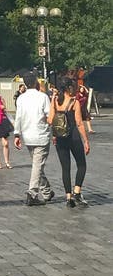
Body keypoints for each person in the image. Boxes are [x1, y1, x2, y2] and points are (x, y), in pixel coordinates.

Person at [13, 71, 54, 206]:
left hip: (28, 136)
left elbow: (18, 117)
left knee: (37, 165)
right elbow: (49, 116)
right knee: (38, 165)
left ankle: (47, 191)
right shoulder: (43, 97)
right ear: (36, 82)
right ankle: (32, 193)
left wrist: (17, 134)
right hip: (41, 135)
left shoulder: (21, 98)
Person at [48, 78, 90, 207]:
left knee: (65, 168)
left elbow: (50, 120)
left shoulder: (55, 101)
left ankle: (68, 198)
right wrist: (86, 140)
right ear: (69, 88)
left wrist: (52, 101)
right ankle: (77, 192)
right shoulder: (74, 101)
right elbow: (79, 122)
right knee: (81, 165)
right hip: (73, 136)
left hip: (60, 138)